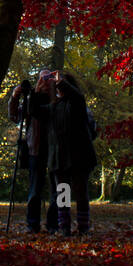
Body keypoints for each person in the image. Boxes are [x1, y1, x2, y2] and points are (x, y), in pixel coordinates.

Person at [47, 71, 97, 236]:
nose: (59, 88)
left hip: (79, 155)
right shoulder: (55, 106)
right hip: (60, 157)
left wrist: (60, 81)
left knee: (80, 191)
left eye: (62, 85)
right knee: (63, 192)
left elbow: (76, 96)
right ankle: (64, 227)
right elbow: (35, 111)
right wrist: (38, 89)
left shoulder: (77, 102)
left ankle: (83, 227)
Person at [7, 71, 58, 234]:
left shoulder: (59, 100)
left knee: (61, 188)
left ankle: (58, 223)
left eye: (48, 79)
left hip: (57, 151)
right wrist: (15, 96)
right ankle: (33, 224)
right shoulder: (30, 101)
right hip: (35, 149)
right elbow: (14, 116)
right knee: (35, 189)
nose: (45, 83)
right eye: (42, 79)